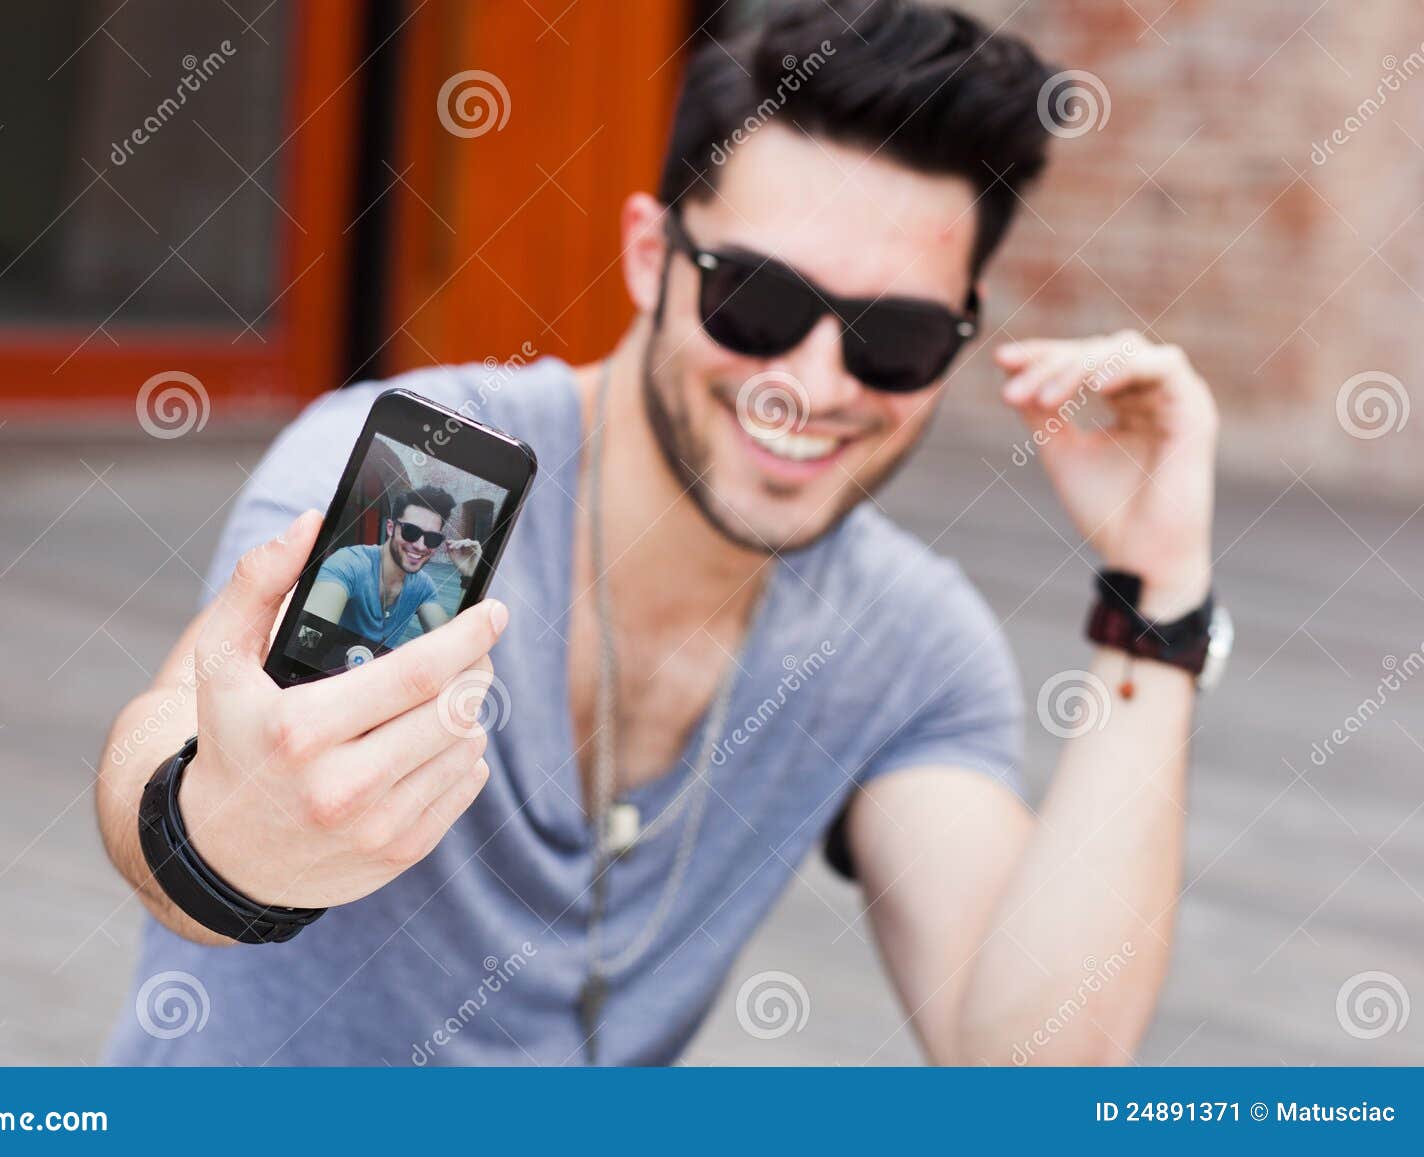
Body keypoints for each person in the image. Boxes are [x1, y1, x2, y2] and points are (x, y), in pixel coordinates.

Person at [97, 0, 1224, 1066]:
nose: (811, 382)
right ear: (650, 257)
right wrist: (223, 835)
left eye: (896, 336)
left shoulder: (903, 637)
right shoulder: (420, 464)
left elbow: (1032, 1070)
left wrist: (1156, 593)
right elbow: (169, 758)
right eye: (759, 302)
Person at [305, 486, 483, 649]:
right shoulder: (348, 563)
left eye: (432, 539)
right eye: (410, 532)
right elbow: (307, 638)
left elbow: (451, 644)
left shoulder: (423, 586)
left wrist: (470, 578)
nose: (420, 546)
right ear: (391, 528)